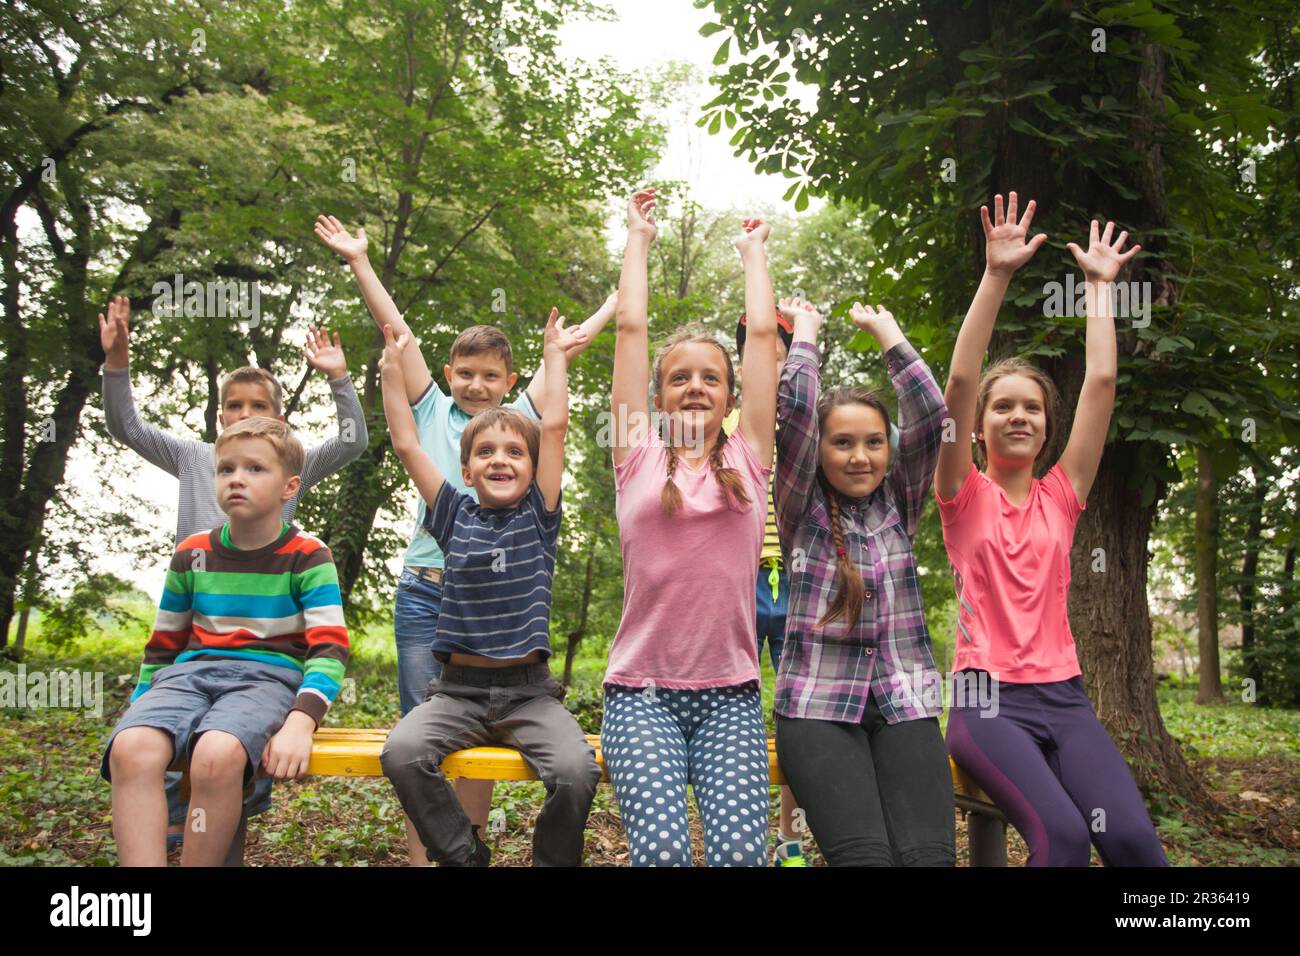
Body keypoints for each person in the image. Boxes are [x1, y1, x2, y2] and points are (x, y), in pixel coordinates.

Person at [314, 214, 614, 864]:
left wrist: (608, 305)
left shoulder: (536, 493)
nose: (478, 387)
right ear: (450, 373)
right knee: (418, 746)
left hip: (520, 673)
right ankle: (457, 856)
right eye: (466, 373)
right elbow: (399, 420)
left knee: (547, 767)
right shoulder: (447, 492)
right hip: (437, 620)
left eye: (493, 377)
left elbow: (557, 417)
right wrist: (364, 270)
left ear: (512, 385)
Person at [935, 192, 1167, 866]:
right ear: (977, 430)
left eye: (1032, 408)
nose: (1018, 416)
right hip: (986, 702)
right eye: (1002, 407)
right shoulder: (961, 493)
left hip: (1065, 699)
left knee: (1130, 841)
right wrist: (996, 274)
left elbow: (1100, 380)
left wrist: (1098, 288)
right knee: (1061, 837)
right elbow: (958, 378)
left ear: (1046, 426)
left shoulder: (1063, 494)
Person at [98, 294, 367, 853]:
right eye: (234, 408)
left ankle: (216, 845)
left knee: (217, 762)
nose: (244, 418)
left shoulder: (292, 470)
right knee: (147, 753)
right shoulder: (194, 457)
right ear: (220, 417)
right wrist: (117, 365)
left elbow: (351, 442)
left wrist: (340, 380)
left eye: (258, 408)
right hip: (200, 631)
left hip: (264, 648)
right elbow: (126, 425)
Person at [377, 314, 600, 866]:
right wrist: (388, 373)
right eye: (485, 453)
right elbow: (406, 443)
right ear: (467, 468)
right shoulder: (451, 514)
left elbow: (553, 428)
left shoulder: (540, 517)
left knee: (576, 772)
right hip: (457, 691)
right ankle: (463, 854)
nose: (500, 459)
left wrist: (555, 356)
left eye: (513, 452)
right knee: (402, 751)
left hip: (528, 692)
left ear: (532, 467)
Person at [601, 188, 779, 866]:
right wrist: (638, 240)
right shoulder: (635, 453)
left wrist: (754, 255)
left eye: (712, 378)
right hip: (640, 696)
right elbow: (630, 332)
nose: (697, 386)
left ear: (731, 397)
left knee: (741, 859)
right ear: (656, 395)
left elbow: (762, 337)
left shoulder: (749, 456)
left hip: (731, 698)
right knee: (665, 855)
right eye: (680, 378)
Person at [771, 294, 954, 866]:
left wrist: (888, 333)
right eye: (842, 442)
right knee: (867, 860)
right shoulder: (800, 506)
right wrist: (805, 333)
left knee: (928, 861)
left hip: (904, 702)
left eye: (874, 442)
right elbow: (797, 413)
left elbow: (930, 415)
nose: (860, 457)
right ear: (818, 451)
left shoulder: (900, 500)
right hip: (818, 706)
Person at [723, 309, 807, 866]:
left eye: (779, 349)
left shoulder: (808, 424)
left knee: (799, 712)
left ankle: (791, 839)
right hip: (738, 580)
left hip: (801, 580)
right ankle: (739, 833)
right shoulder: (724, 423)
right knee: (734, 706)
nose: (767, 357)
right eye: (757, 348)